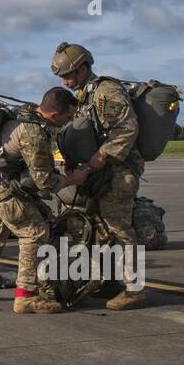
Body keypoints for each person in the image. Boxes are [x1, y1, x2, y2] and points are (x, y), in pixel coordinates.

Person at [0, 87, 88, 313]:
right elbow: (45, 181)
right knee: (34, 231)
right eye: (68, 117)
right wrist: (74, 179)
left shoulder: (23, 113)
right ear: (54, 115)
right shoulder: (34, 131)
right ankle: (26, 296)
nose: (69, 121)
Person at [50, 41, 146, 310]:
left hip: (118, 172)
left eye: (69, 75)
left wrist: (102, 156)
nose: (66, 82)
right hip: (98, 174)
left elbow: (127, 128)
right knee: (100, 229)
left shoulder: (107, 91)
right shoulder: (84, 97)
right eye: (62, 78)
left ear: (83, 69)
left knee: (119, 228)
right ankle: (111, 281)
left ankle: (134, 288)